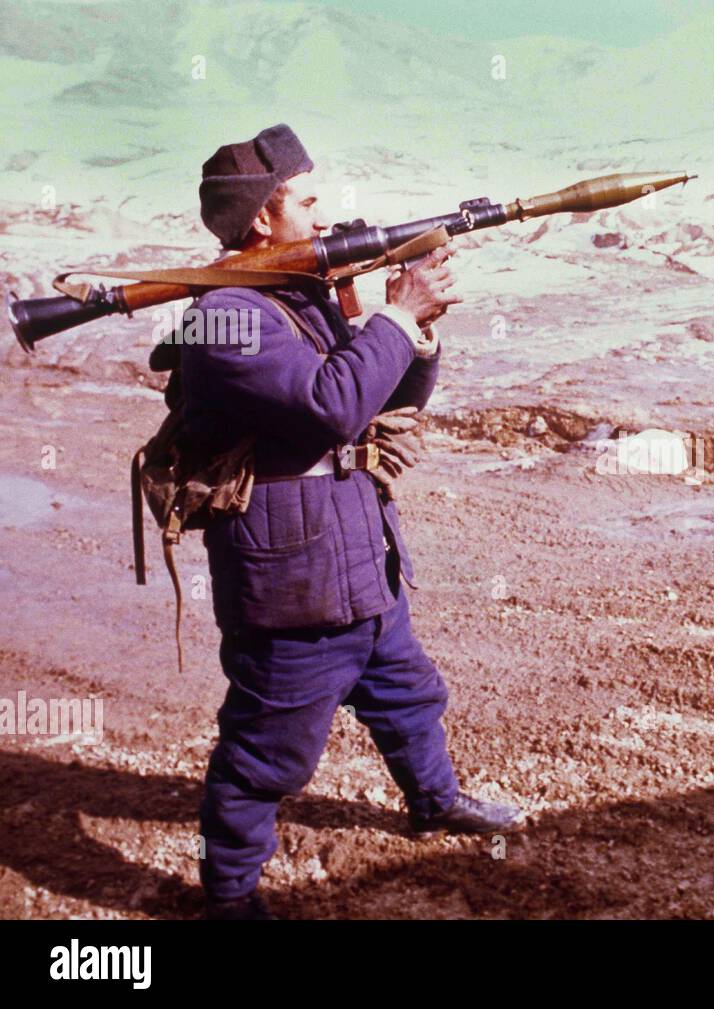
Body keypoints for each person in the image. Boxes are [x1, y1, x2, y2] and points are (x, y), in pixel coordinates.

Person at [186, 123, 521, 921]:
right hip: (292, 576)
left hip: (356, 551)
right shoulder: (227, 315)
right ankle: (229, 895)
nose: (323, 212)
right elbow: (330, 406)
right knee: (266, 754)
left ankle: (433, 801)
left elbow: (380, 400)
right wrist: (394, 319)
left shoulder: (298, 291)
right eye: (305, 200)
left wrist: (419, 330)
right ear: (261, 220)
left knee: (408, 693)